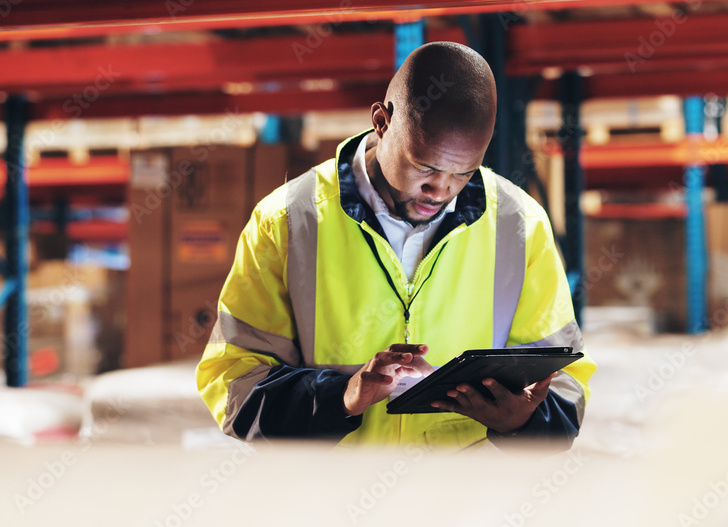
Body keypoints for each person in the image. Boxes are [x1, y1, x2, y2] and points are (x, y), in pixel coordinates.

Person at [196, 41, 596, 450]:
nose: (440, 189)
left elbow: (564, 384)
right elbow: (233, 382)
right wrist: (341, 397)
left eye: (464, 172)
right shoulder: (286, 221)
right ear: (381, 122)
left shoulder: (520, 225)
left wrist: (527, 421)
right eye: (425, 166)